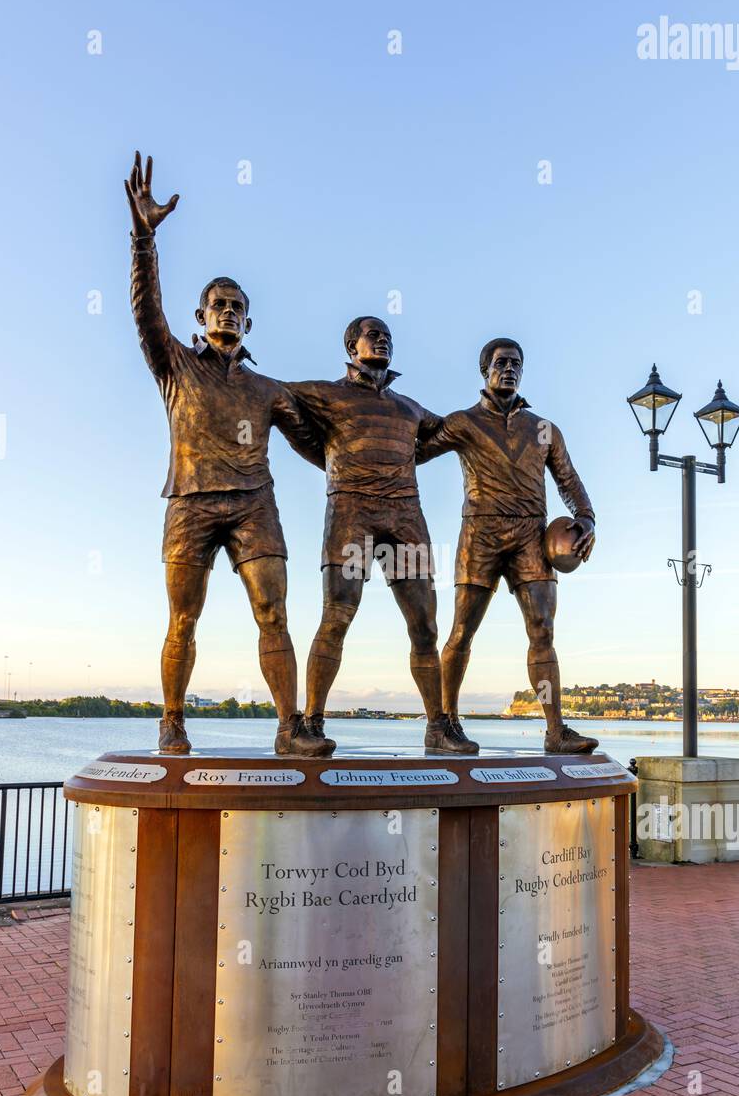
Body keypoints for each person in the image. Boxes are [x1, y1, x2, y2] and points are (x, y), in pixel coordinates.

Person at [125, 152, 328, 756]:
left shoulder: (269, 391)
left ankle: (290, 729)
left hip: (254, 507)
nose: (230, 312)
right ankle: (173, 720)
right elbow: (144, 312)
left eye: (239, 307)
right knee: (183, 619)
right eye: (220, 304)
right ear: (202, 316)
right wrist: (144, 239)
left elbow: (319, 449)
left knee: (274, 612)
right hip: (189, 501)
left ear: (248, 321)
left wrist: (379, 470)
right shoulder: (176, 365)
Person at [288, 318, 474, 755]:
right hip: (351, 516)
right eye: (374, 334)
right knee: (338, 615)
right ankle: (310, 724)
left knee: (425, 626)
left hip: (406, 519)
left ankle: (438, 727)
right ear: (351, 346)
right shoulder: (326, 393)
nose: (383, 339)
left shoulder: (409, 408)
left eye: (388, 335)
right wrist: (330, 461)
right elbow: (271, 399)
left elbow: (458, 432)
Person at [417, 338, 598, 754]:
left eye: (517, 363)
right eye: (501, 362)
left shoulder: (544, 429)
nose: (509, 369)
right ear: (485, 370)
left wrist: (587, 518)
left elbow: (569, 481)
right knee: (463, 629)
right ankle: (442, 726)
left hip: (531, 536)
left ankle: (555, 731)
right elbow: (415, 453)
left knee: (543, 630)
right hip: (479, 534)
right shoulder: (463, 423)